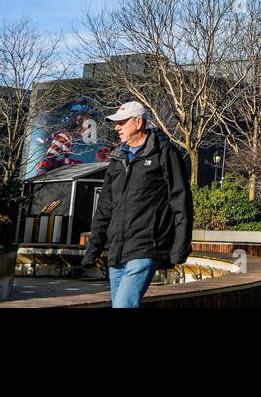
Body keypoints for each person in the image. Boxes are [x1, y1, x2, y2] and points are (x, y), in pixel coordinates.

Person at [81, 102, 193, 308]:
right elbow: (104, 207)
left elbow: (181, 201)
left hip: (146, 247)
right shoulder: (117, 158)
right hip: (116, 250)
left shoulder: (164, 153)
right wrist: (93, 248)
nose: (117, 127)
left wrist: (180, 247)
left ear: (138, 122)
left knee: (124, 305)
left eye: (122, 122)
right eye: (116, 123)